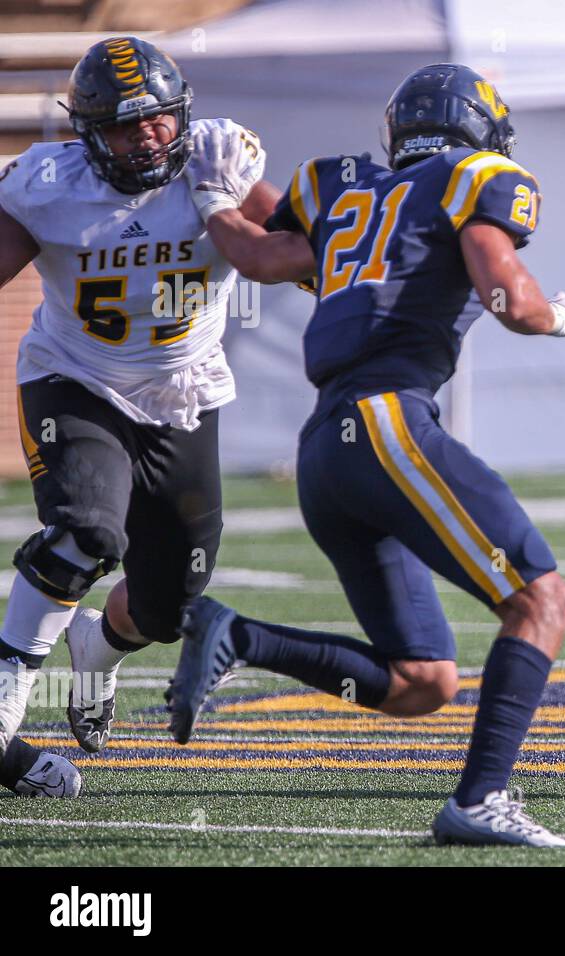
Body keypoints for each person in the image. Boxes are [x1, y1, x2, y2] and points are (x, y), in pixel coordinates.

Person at [166, 64, 565, 846]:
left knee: (421, 681)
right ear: (483, 134)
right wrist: (553, 317)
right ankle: (479, 801)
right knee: (543, 602)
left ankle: (239, 635)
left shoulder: (342, 189)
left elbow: (263, 259)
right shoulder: (475, 175)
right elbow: (504, 289)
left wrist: (215, 198)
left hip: (325, 453)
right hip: (385, 421)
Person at [0, 37, 276, 796]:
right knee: (88, 529)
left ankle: (97, 653)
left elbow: (286, 247)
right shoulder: (48, 187)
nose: (146, 136)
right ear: (87, 134)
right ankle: (11, 678)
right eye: (125, 126)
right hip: (76, 379)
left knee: (168, 602)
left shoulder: (221, 159)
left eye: (156, 120)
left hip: (184, 393)